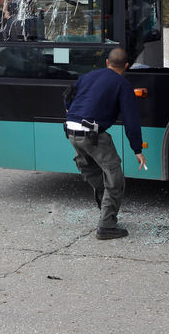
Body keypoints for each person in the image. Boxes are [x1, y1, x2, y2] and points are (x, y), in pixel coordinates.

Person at [63, 47, 147, 240]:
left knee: (95, 173)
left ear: (107, 63)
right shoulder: (123, 84)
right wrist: (137, 149)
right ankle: (107, 225)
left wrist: (70, 112)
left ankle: (106, 212)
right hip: (93, 135)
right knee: (114, 178)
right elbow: (131, 119)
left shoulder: (88, 76)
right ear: (126, 66)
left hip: (71, 131)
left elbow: (68, 95)